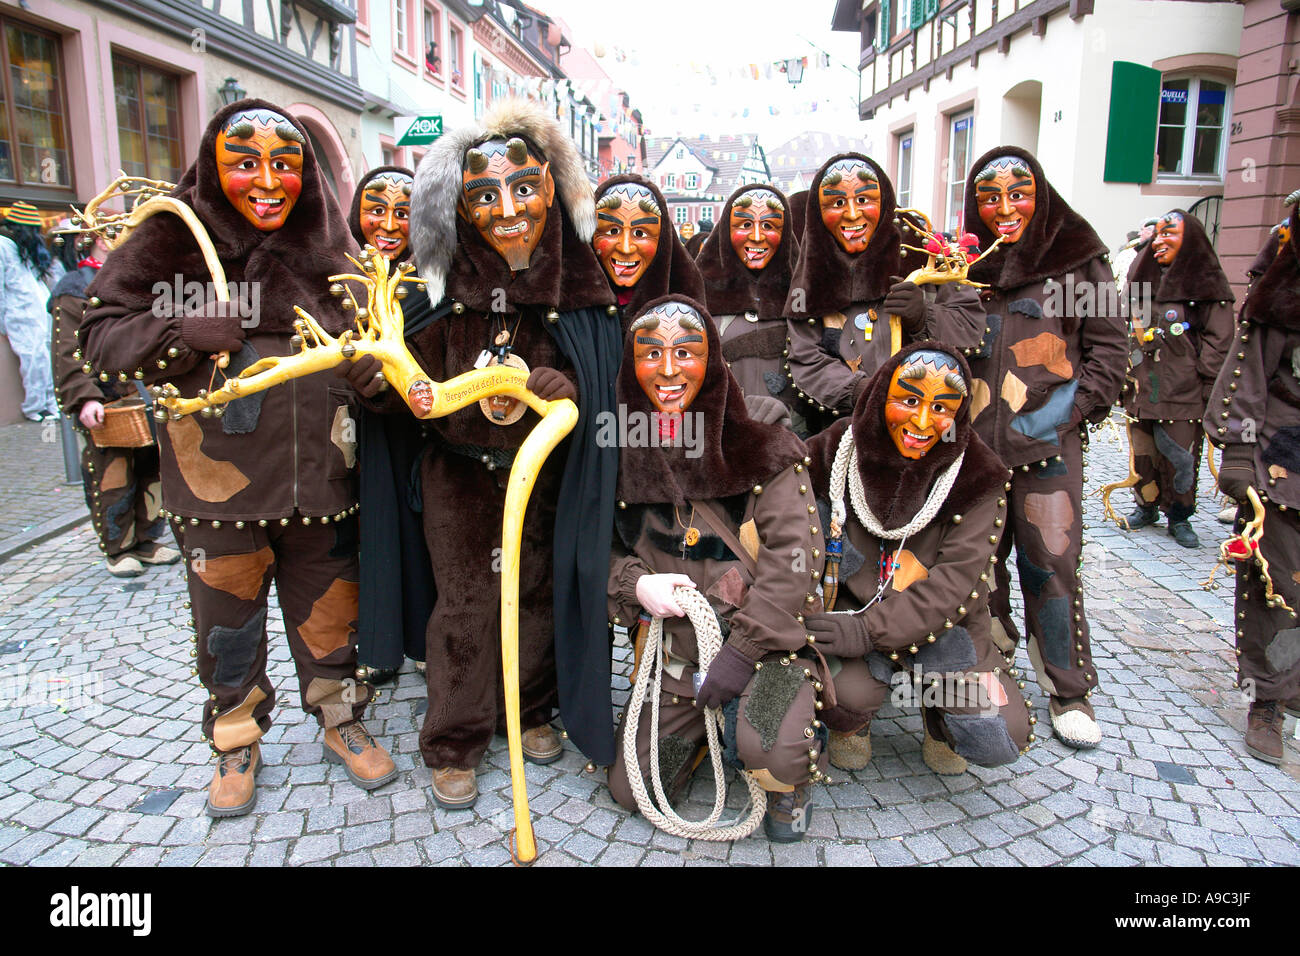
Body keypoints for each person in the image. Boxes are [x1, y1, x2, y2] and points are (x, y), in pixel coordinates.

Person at [80, 100, 396, 817]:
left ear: (305, 172)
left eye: (284, 164)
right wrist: (181, 328)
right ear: (213, 167)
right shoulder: (172, 235)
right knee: (227, 625)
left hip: (321, 480)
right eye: (244, 162)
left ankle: (340, 718)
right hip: (215, 488)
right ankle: (234, 737)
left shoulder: (332, 248)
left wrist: (373, 382)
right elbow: (97, 336)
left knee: (331, 617)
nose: (265, 180)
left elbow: (377, 347)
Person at [387, 99, 621, 808]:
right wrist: (399, 388)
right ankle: (456, 737)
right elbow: (405, 370)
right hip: (460, 474)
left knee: (537, 596)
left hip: (546, 475)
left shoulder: (579, 284)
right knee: (463, 604)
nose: (508, 209)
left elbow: (602, 382)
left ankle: (530, 710)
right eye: (484, 195)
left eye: (524, 189)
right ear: (460, 204)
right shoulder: (435, 284)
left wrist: (567, 387)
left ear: (551, 188)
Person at [605, 295, 830, 842]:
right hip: (680, 658)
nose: (667, 369)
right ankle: (703, 733)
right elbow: (590, 548)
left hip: (766, 650)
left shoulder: (760, 429)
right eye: (650, 352)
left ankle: (786, 773)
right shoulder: (619, 443)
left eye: (686, 352)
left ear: (712, 361)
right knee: (632, 793)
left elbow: (795, 559)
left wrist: (743, 651)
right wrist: (637, 583)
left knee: (770, 751)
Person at [957, 146, 1128, 749]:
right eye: (989, 196)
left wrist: (1070, 415)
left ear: (1041, 194)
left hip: (1046, 450)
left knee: (1050, 564)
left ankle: (1068, 689)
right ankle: (991, 669)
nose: (1004, 207)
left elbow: (1111, 349)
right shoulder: (963, 264)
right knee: (977, 568)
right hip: (972, 452)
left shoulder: (1080, 262)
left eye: (1017, 192)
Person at [801, 345, 1030, 774]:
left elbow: (951, 587)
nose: (923, 423)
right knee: (845, 695)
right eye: (908, 400)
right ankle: (856, 721)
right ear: (880, 395)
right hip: (853, 612)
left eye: (941, 407)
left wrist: (868, 631)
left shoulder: (979, 473)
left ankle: (938, 716)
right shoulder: (836, 447)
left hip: (945, 633)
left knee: (1001, 733)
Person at [783, 153, 985, 426]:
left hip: (926, 428)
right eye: (838, 202)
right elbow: (805, 358)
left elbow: (970, 326)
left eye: (864, 200)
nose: (852, 214)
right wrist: (859, 391)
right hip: (846, 433)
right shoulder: (810, 276)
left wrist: (924, 317)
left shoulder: (925, 251)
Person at [1208, 195, 1300, 765]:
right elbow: (1248, 379)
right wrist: (1240, 455)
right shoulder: (1282, 297)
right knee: (1281, 585)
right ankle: (1268, 698)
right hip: (1286, 462)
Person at [343, 165, 435, 687]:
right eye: (376, 209)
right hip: (356, 430)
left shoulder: (433, 278)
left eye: (404, 212)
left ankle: (423, 639)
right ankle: (377, 643)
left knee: (419, 534)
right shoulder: (344, 276)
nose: (389, 223)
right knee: (371, 532)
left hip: (416, 427)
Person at [49, 229, 179, 577]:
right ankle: (118, 547)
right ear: (98, 239)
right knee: (113, 475)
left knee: (152, 471)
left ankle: (148, 540)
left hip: (147, 398)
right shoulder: (75, 287)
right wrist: (84, 397)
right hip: (107, 400)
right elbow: (66, 353)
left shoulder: (142, 281)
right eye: (114, 234)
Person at [1121, 211, 1234, 548]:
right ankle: (1147, 505)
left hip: (1183, 389)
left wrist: (1201, 374)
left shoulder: (1207, 285)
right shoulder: (1144, 278)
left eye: (1169, 234)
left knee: (1180, 455)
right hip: (1143, 384)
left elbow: (1220, 339)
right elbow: (1124, 324)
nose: (1159, 241)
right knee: (1143, 453)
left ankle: (1180, 515)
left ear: (1191, 240)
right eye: (1156, 235)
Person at [695, 183, 808, 433]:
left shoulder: (802, 296)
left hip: (793, 439)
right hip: (723, 436)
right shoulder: (699, 295)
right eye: (745, 224)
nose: (756, 236)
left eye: (769, 225)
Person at [591, 174, 705, 322]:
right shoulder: (569, 311)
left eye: (640, 233)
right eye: (613, 231)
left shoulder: (684, 296)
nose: (626, 248)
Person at [1, 201, 59, 421]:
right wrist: (2, 322)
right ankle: (34, 406)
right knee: (34, 359)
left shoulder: (24, 249)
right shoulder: (3, 245)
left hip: (38, 311)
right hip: (20, 313)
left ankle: (51, 404)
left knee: (46, 357)